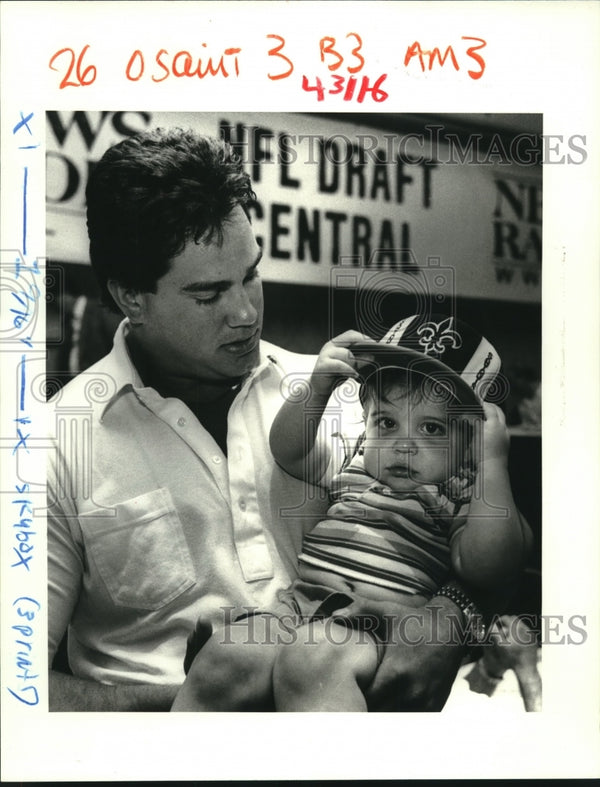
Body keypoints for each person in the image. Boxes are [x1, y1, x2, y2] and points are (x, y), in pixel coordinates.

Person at [47, 127, 497, 712]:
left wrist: (453, 618)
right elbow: (20, 690)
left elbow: (475, 537)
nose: (245, 312)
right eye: (208, 295)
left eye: (251, 275)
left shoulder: (352, 395)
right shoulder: (52, 443)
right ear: (132, 297)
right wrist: (216, 699)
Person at [173, 314, 532, 711]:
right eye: (387, 422)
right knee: (226, 656)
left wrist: (493, 463)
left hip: (382, 627)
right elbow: (289, 450)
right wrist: (316, 390)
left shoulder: (460, 489)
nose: (403, 445)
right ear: (367, 421)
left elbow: (490, 566)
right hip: (299, 605)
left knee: (314, 664)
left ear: (471, 442)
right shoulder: (355, 457)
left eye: (432, 429)